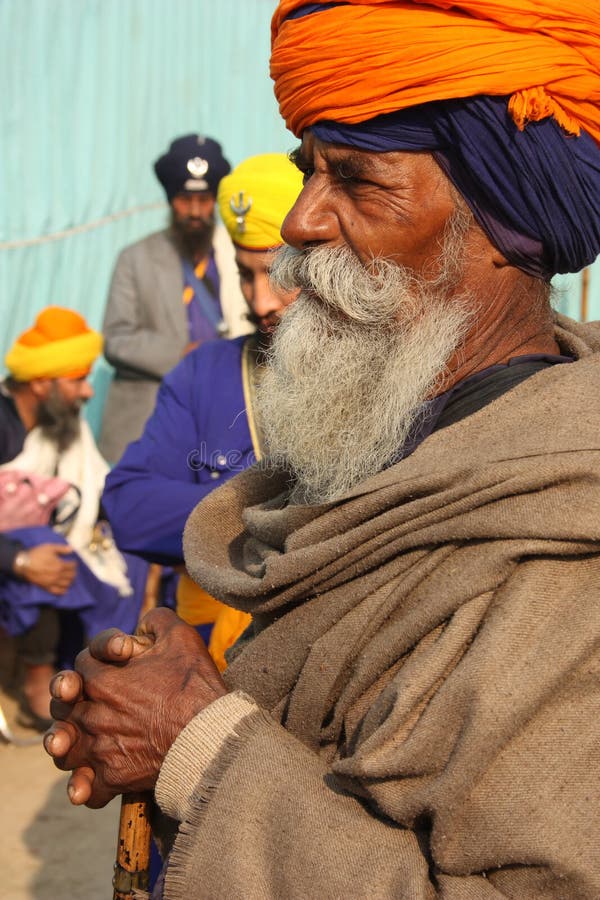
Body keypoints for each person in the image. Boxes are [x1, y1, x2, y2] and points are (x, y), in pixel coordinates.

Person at [46, 3, 600, 897]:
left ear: (500, 220)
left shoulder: (567, 556)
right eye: (311, 171)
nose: (300, 224)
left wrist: (197, 746)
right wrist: (169, 694)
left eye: (357, 179)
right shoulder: (376, 446)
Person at [101, 153, 302, 668]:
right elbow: (130, 505)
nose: (260, 302)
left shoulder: (388, 376)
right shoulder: (204, 374)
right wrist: (267, 511)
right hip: (214, 659)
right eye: (244, 276)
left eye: (278, 275)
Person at [0, 307, 149, 729]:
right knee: (38, 546)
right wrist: (19, 560)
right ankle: (36, 680)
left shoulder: (62, 422)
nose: (88, 392)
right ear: (42, 382)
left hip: (58, 538)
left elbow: (92, 487)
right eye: (77, 380)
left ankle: (101, 669)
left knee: (132, 549)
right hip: (14, 554)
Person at [98, 133, 250, 464]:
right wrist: (182, 355)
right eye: (185, 199)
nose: (195, 211)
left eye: (204, 199)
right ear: (170, 199)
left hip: (218, 416)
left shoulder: (236, 256)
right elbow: (116, 339)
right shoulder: (135, 259)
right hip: (149, 418)